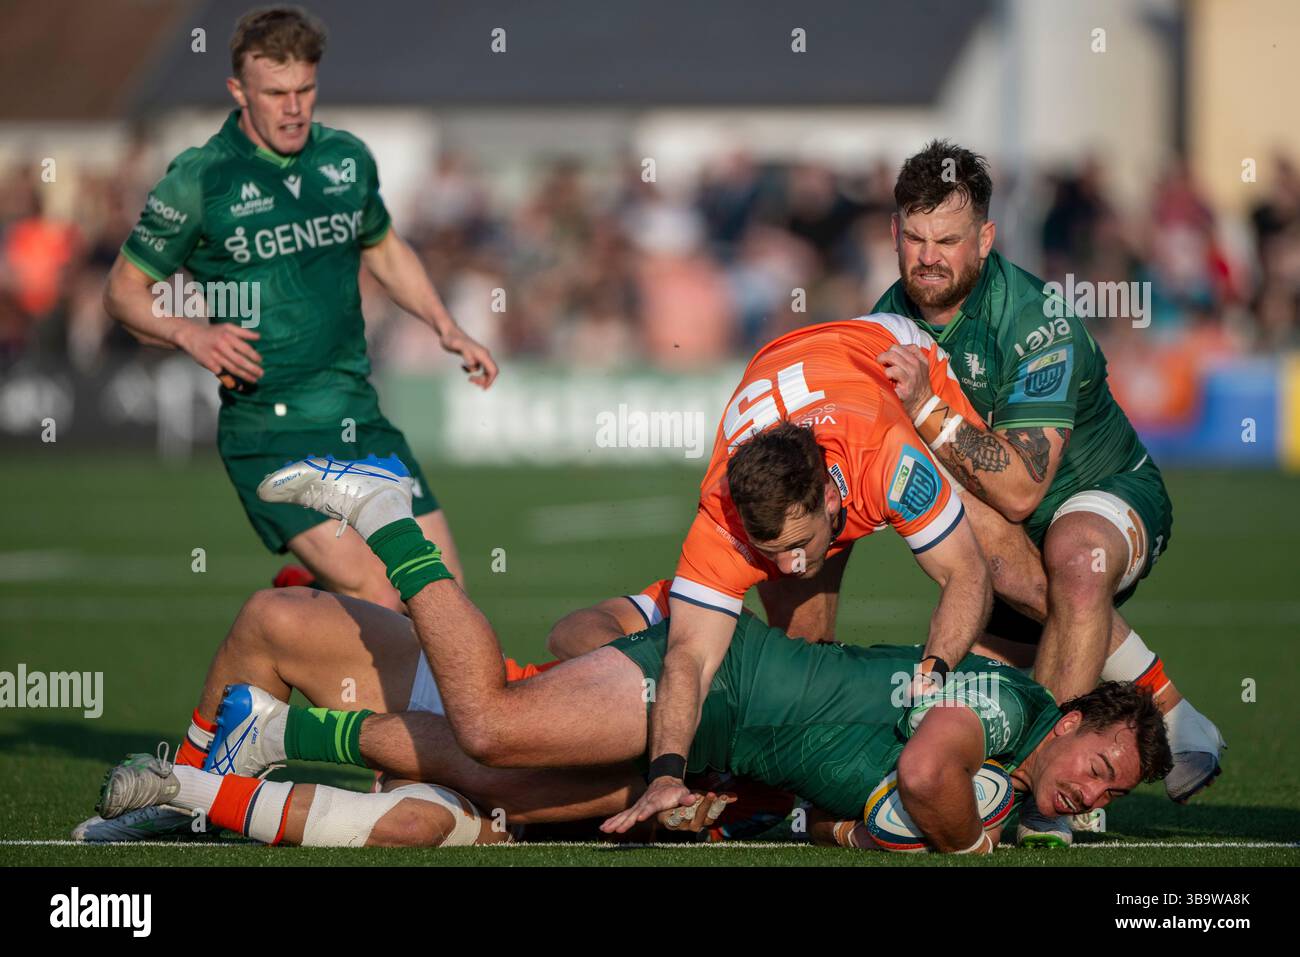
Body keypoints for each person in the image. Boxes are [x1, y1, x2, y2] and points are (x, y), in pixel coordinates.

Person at [94, 454, 1171, 853]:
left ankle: (257, 740)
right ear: (1070, 719)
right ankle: (387, 525)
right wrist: (966, 843)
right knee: (492, 724)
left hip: (718, 748)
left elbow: (856, 813)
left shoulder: (1005, 770)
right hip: (707, 702)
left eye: (1100, 793)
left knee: (484, 785)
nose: (1088, 794)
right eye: (1100, 770)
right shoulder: (1008, 724)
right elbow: (931, 777)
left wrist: (844, 822)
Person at [870, 140, 1223, 839]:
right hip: (1007, 539)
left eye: (948, 238)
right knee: (949, 713)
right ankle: (1176, 712)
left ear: (986, 238)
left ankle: (1048, 801)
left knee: (1073, 551)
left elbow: (1027, 488)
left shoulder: (1036, 321)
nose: (929, 255)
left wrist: (930, 411)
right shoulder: (889, 318)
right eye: (914, 237)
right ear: (895, 234)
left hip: (1106, 495)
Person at [102, 6, 496, 612]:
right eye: (276, 92)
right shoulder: (200, 181)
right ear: (239, 91)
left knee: (444, 602)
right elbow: (122, 292)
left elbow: (384, 247)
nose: (293, 107)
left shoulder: (345, 160)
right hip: (269, 428)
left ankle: (306, 606)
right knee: (378, 594)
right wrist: (191, 334)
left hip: (358, 415)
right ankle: (305, 642)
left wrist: (447, 326)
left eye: (305, 89)